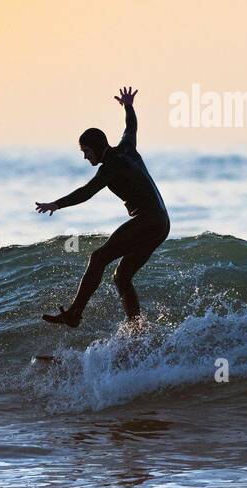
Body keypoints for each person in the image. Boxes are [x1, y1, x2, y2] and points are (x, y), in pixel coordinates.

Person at [35, 87, 170, 327]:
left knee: (98, 257)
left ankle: (75, 313)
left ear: (96, 148)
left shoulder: (110, 166)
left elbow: (87, 192)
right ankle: (136, 329)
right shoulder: (127, 148)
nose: (85, 157)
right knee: (122, 276)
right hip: (162, 223)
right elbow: (131, 127)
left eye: (86, 151)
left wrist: (56, 204)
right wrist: (128, 106)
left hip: (147, 220)